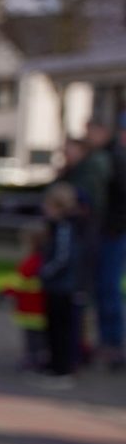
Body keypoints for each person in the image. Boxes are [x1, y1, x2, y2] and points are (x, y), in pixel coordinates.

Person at [36, 181, 89, 387]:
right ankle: (53, 365)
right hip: (59, 285)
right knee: (54, 328)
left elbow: (63, 257)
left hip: (63, 287)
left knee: (61, 330)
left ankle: (62, 368)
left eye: (48, 206)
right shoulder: (60, 227)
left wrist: (46, 272)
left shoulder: (65, 228)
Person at [96, 123, 126, 371]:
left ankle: (112, 343)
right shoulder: (110, 157)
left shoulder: (116, 159)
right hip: (111, 231)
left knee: (108, 288)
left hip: (115, 233)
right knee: (106, 289)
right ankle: (110, 343)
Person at [7, 224, 49, 371]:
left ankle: (33, 357)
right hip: (37, 308)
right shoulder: (42, 261)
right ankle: (38, 356)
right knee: (38, 335)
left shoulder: (30, 262)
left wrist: (8, 291)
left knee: (32, 336)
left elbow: (20, 283)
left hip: (30, 308)